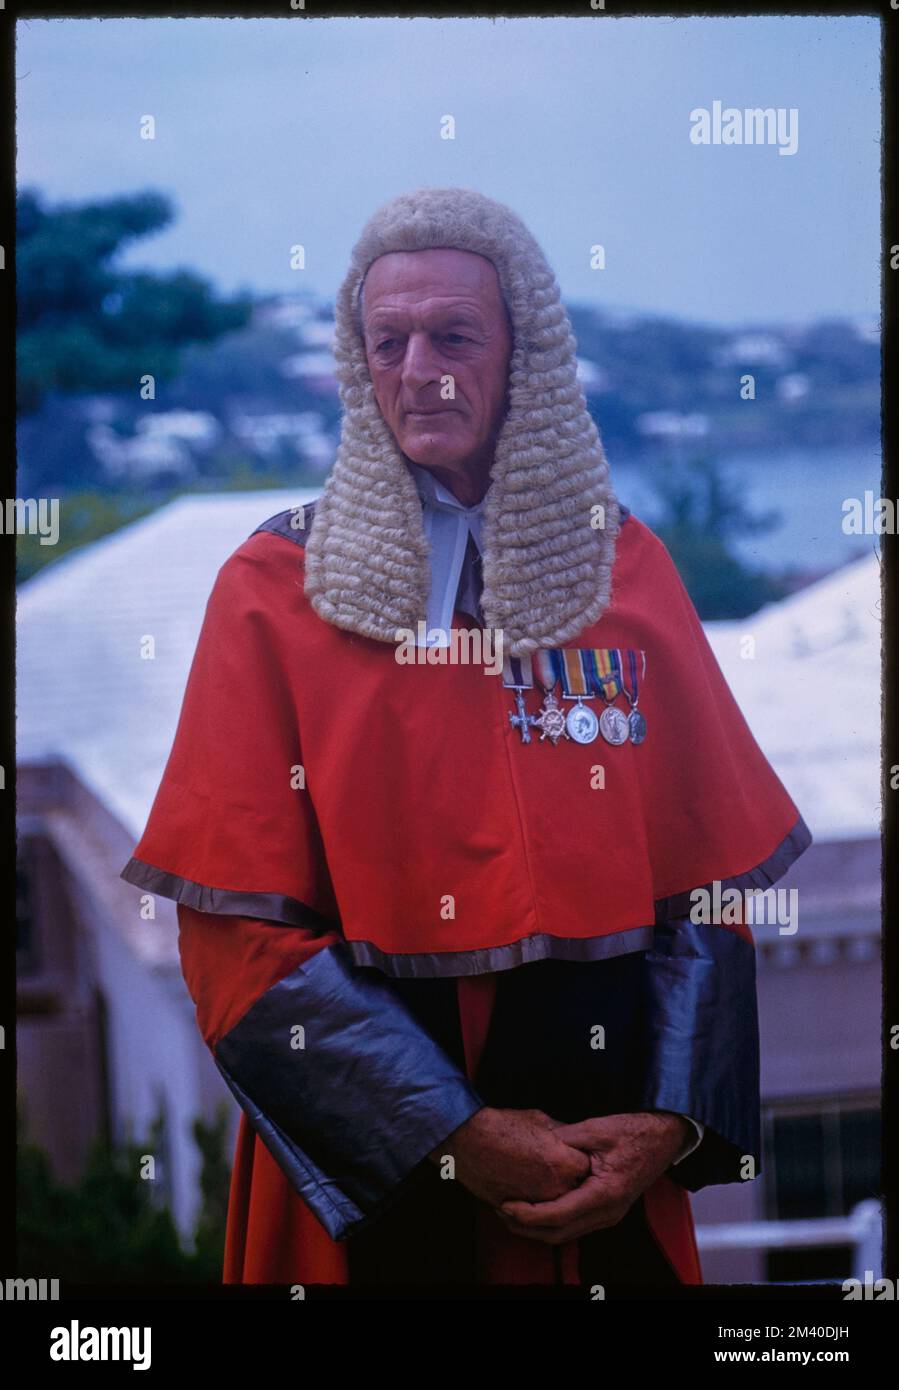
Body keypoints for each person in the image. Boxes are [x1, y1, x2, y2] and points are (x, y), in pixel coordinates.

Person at [121, 187, 811, 1290]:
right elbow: (234, 944)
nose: (417, 369)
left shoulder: (626, 573)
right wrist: (451, 1137)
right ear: (357, 365)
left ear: (522, 354)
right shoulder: (268, 594)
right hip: (372, 1182)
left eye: (453, 336)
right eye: (386, 341)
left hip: (606, 1175)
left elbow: (706, 894)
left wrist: (666, 1126)